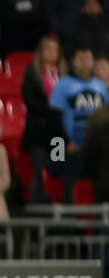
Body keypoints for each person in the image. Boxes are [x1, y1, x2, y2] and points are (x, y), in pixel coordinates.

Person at [49, 45, 109, 182]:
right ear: (74, 60)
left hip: (95, 147)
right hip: (71, 146)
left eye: (88, 58)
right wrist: (65, 143)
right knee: (69, 178)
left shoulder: (100, 86)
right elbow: (54, 119)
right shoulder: (62, 85)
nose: (85, 62)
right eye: (81, 58)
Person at [22, 34, 69, 201]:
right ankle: (38, 214)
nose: (51, 53)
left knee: (58, 171)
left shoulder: (65, 75)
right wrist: (55, 111)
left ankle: (59, 212)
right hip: (39, 135)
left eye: (55, 50)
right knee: (39, 173)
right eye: (47, 49)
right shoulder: (31, 74)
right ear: (40, 52)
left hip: (58, 135)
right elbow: (31, 101)